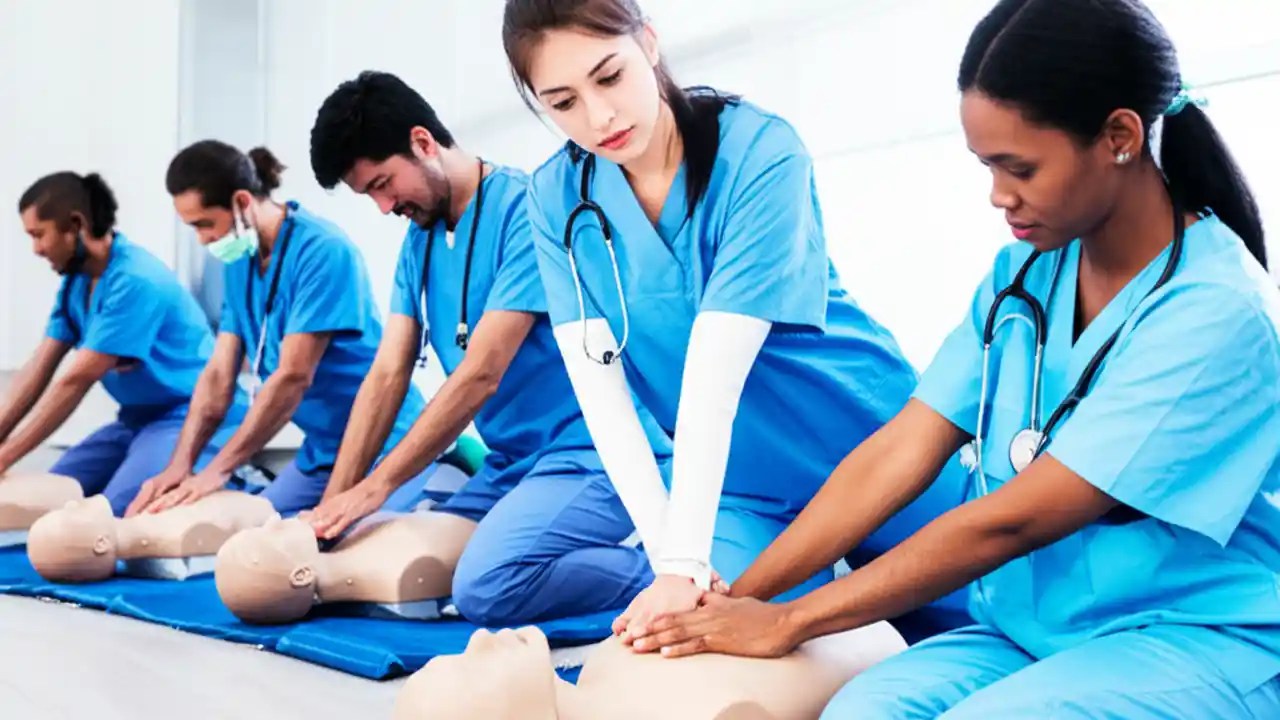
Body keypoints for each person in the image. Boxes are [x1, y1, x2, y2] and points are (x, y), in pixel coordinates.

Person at [638, 1, 1280, 717]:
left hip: (1193, 635)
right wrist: (732, 601)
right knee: (858, 712)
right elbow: (898, 453)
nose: (999, 196)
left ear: (1119, 137)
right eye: (987, 166)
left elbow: (1014, 521)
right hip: (1034, 630)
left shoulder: (1215, 310)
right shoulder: (1023, 278)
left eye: (1020, 168)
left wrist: (790, 620)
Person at [504, 0, 970, 644]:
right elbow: (604, 401)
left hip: (869, 448)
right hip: (741, 491)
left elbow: (712, 377)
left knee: (995, 629)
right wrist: (672, 564)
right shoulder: (555, 198)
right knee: (715, 645)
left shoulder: (759, 152)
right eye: (562, 103)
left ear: (649, 42)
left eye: (609, 76)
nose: (598, 116)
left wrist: (682, 563)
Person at [305, 71, 671, 625]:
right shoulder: (420, 242)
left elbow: (482, 373)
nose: (384, 206)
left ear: (423, 142)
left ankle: (667, 566)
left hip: (590, 455)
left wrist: (376, 486)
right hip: (511, 464)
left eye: (383, 184)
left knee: (485, 587)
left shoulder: (526, 210)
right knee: (395, 554)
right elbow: (387, 374)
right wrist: (333, 507)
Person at [127, 141, 434, 518]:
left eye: (205, 224)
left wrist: (217, 471)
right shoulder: (239, 262)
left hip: (386, 442)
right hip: (324, 451)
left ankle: (437, 486)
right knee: (252, 531)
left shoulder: (321, 250)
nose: (203, 239)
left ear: (242, 201)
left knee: (345, 541)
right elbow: (219, 374)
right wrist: (181, 466)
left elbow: (293, 377)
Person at [0, 172, 244, 516]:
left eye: (39, 235)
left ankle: (242, 482)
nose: (36, 249)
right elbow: (39, 368)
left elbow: (76, 380)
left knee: (113, 514)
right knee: (50, 500)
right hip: (135, 421)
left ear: (76, 225)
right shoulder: (76, 283)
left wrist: (6, 457)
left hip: (190, 417)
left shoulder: (135, 279)